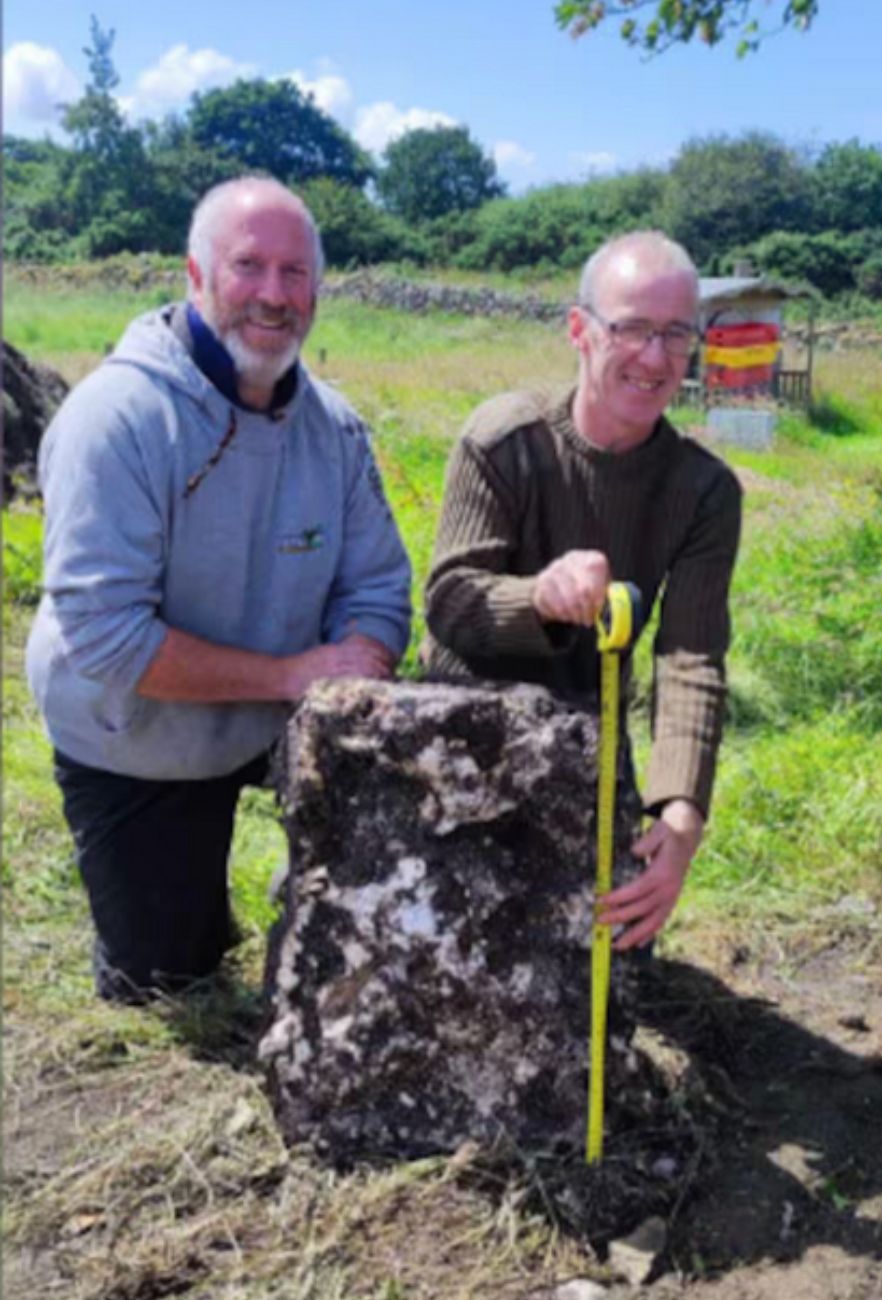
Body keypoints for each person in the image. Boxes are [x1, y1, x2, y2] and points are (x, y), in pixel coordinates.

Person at [27, 177, 413, 1002]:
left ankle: (316, 926)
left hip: (283, 713)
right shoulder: (118, 419)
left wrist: (357, 665)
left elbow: (380, 586)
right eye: (248, 267)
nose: (274, 296)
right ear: (195, 276)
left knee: (407, 879)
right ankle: (180, 905)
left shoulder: (335, 430)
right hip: (134, 726)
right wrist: (290, 676)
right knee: (166, 979)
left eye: (296, 273)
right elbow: (104, 637)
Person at [422, 231, 741, 954]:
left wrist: (682, 808)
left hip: (589, 740)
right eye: (631, 329)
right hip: (464, 723)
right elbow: (448, 603)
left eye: (675, 335)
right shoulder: (505, 441)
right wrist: (538, 597)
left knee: (606, 949)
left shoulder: (704, 491)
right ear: (580, 330)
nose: (654, 358)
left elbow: (691, 655)